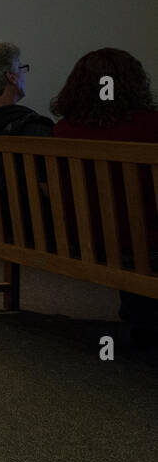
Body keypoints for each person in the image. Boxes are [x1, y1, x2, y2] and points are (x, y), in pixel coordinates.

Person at [50, 48, 158, 341]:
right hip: (141, 242)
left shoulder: (63, 130)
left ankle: (142, 314)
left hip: (84, 238)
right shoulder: (150, 127)